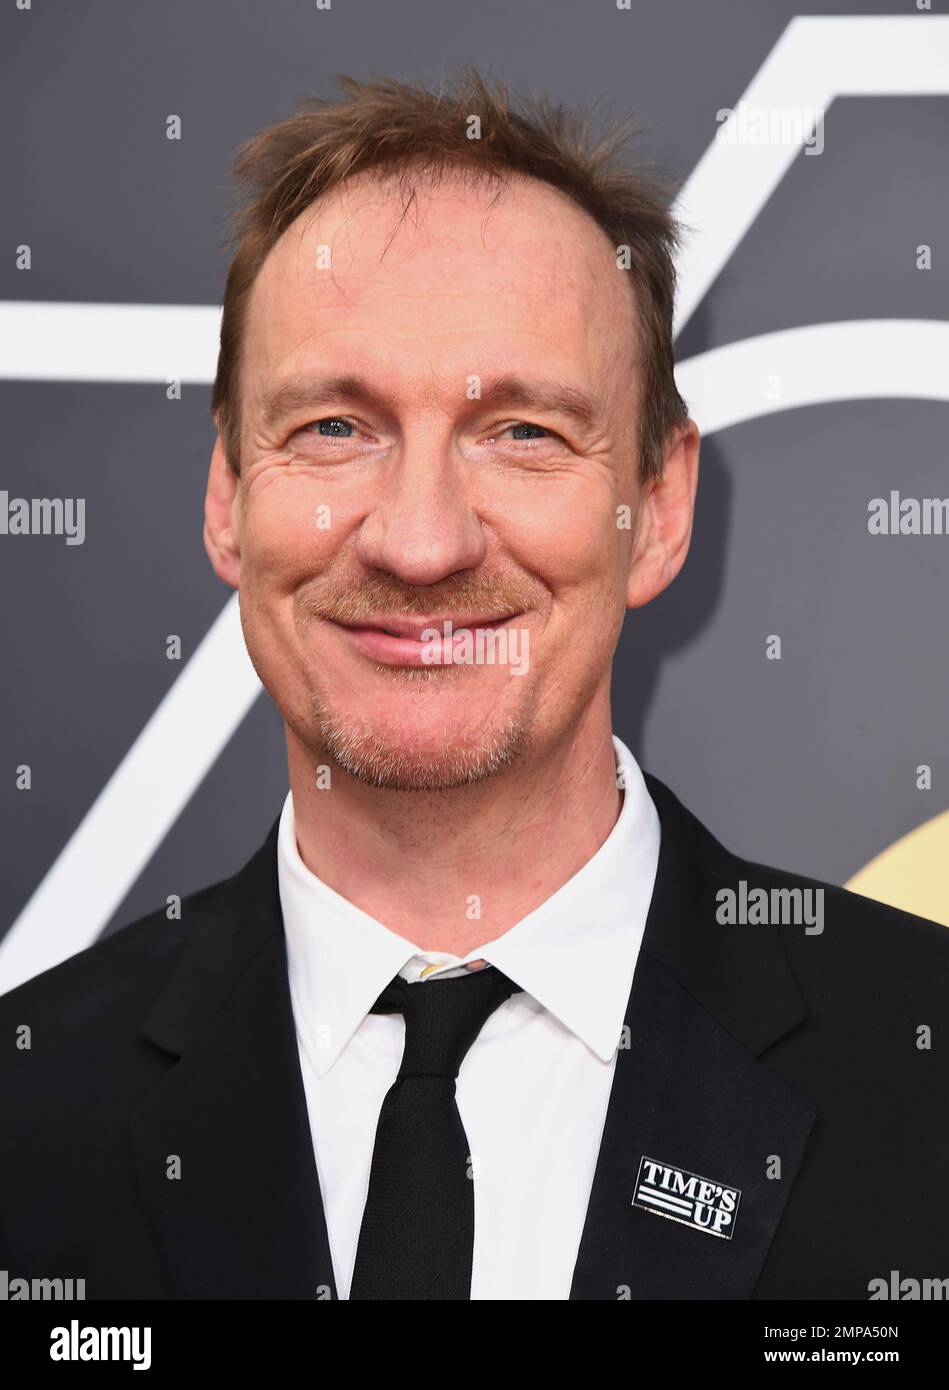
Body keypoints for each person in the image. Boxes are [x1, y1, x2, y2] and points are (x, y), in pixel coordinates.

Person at [2, 70, 947, 1302]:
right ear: (228, 497)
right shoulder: (27, 1117)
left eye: (523, 433)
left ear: (657, 508)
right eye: (335, 427)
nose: (421, 541)